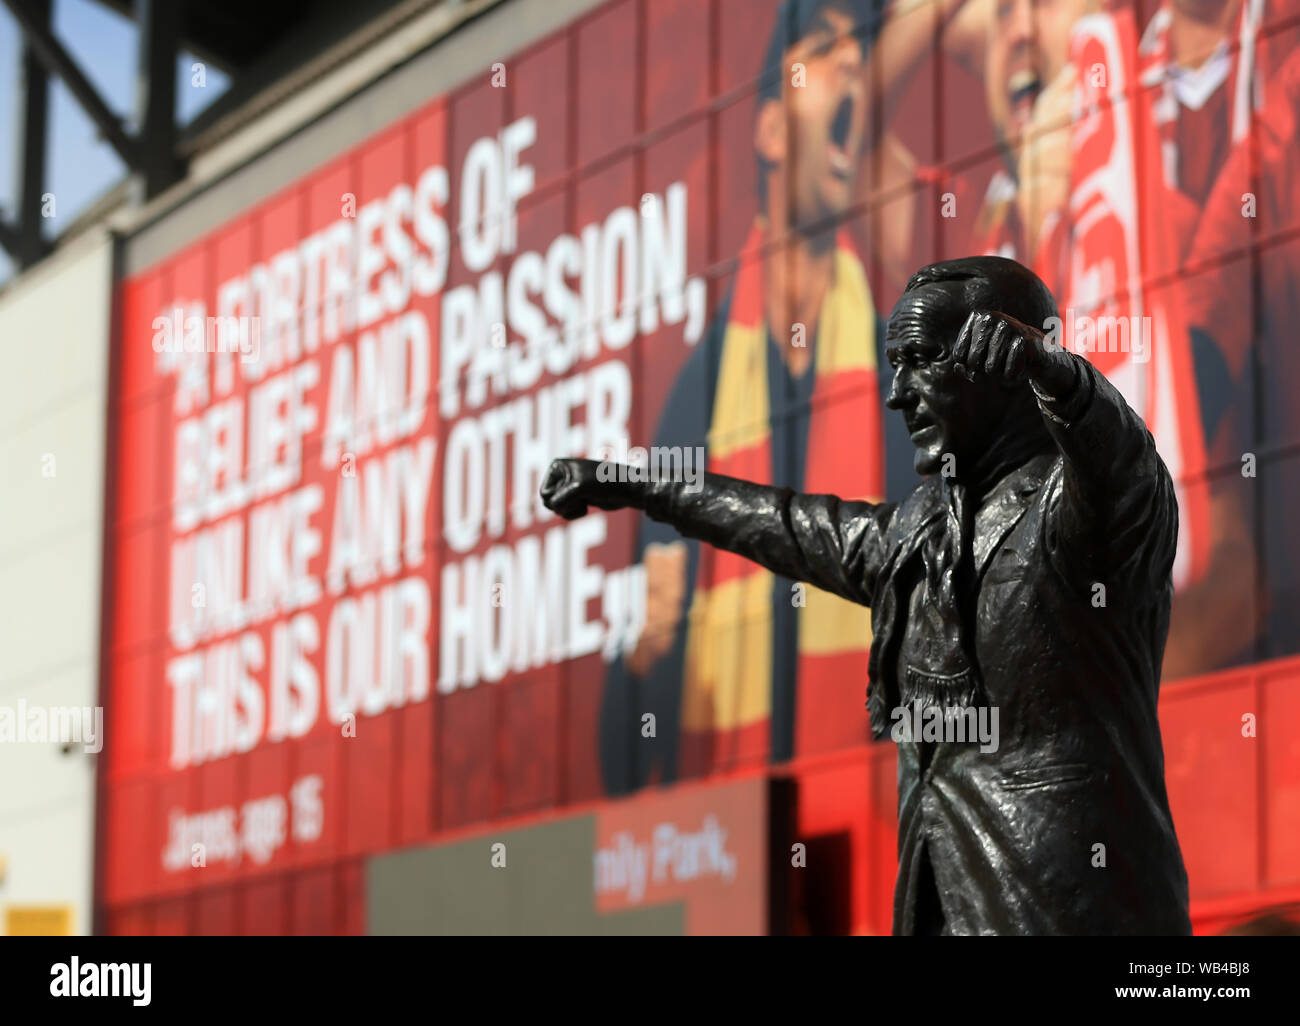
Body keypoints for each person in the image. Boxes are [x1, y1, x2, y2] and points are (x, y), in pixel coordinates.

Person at [544, 255, 1192, 935]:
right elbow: (784, 522)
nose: (897, 393)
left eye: (921, 360)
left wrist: (1059, 377)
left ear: (997, 362)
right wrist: (638, 485)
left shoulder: (1086, 519)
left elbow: (1123, 465)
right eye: (893, 365)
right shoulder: (913, 537)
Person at [596, 0, 915, 794]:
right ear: (770, 133)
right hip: (727, 869)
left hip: (874, 865)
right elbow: (622, 761)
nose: (853, 66)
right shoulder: (691, 409)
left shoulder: (903, 393)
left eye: (862, 54)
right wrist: (641, 661)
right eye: (825, 50)